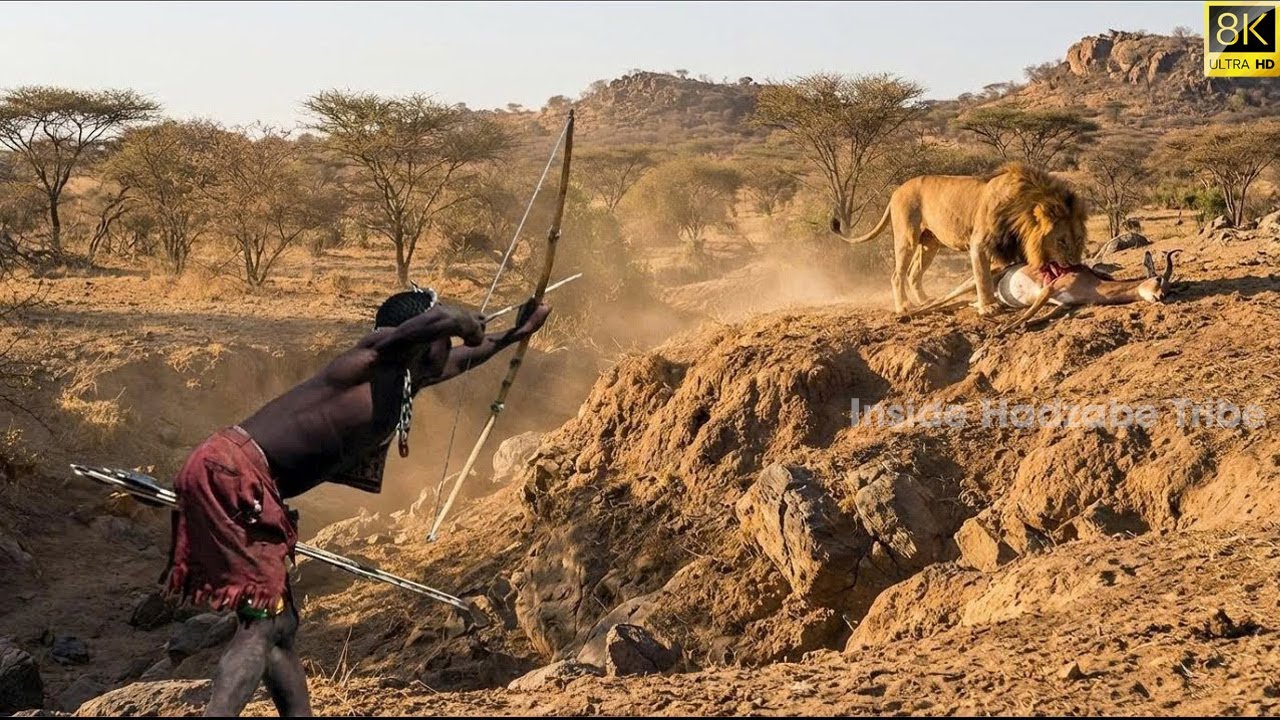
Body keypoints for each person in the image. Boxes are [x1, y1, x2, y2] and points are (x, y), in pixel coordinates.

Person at [163, 285, 551, 717]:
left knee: (279, 626)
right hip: (235, 473)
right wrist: (459, 321)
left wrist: (517, 332)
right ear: (421, 337)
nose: (450, 347)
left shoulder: (408, 376)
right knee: (265, 625)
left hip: (241, 477)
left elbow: (464, 358)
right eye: (440, 337)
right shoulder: (369, 360)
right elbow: (426, 329)